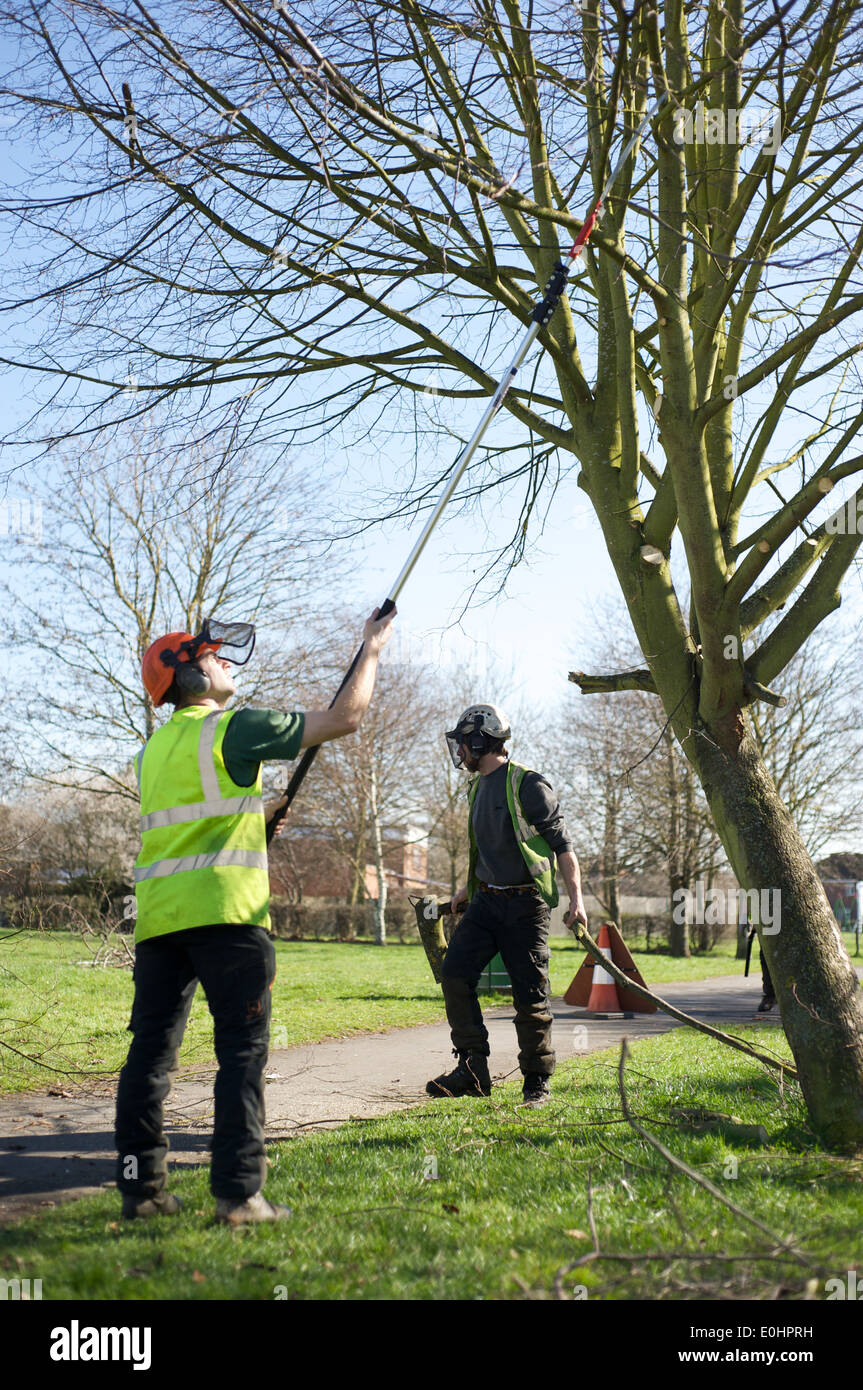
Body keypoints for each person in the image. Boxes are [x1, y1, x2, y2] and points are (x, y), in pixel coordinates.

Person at [116, 608, 395, 1224]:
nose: (224, 663)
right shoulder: (233, 730)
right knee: (241, 1054)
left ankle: (141, 1191)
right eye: (213, 658)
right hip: (229, 918)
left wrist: (256, 815)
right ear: (189, 677)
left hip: (162, 924)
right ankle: (239, 1196)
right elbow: (346, 719)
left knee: (149, 1058)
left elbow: (195, 821)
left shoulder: (151, 752)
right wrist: (371, 649)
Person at [426, 704, 587, 1107]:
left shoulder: (528, 784)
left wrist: (577, 901)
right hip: (486, 900)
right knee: (455, 974)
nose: (460, 750)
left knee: (530, 995)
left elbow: (564, 848)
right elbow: (486, 847)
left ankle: (536, 1082)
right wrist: (468, 887)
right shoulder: (476, 788)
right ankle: (472, 1070)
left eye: (464, 742)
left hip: (526, 905)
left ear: (480, 740)